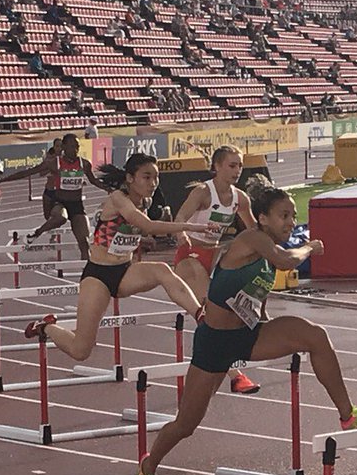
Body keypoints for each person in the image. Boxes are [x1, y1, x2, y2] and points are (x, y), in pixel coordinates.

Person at [132, 183, 357, 475]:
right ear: (262, 218)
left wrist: (270, 331)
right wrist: (309, 248)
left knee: (314, 335)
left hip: (248, 335)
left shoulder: (266, 256)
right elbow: (286, 261)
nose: (290, 222)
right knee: (186, 425)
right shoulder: (252, 239)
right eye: (283, 216)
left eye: (293, 216)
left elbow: (257, 297)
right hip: (214, 343)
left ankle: (347, 415)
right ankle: (148, 466)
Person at [21, 154, 218, 368]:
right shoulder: (118, 198)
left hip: (125, 271)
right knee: (81, 350)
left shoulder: (146, 201)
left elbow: (128, 230)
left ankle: (199, 314)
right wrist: (189, 227)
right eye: (147, 177)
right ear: (130, 178)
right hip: (98, 275)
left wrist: (141, 240)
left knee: (162, 270)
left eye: (156, 177)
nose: (153, 183)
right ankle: (46, 326)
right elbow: (147, 225)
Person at [173, 146, 262, 395]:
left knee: (223, 315)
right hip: (190, 257)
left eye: (240, 166)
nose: (237, 171)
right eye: (232, 165)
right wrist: (181, 233)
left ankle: (212, 371)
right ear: (217, 166)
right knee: (210, 311)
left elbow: (254, 230)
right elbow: (180, 216)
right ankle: (236, 375)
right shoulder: (203, 192)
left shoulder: (239, 198)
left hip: (214, 256)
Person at [3, 134, 108, 259]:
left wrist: (109, 189)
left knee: (84, 243)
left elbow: (94, 181)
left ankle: (86, 274)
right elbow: (28, 172)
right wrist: (4, 179)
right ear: (64, 147)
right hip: (60, 202)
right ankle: (36, 233)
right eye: (71, 147)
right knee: (61, 217)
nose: (75, 150)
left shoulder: (84, 164)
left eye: (77, 147)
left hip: (77, 205)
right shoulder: (54, 163)